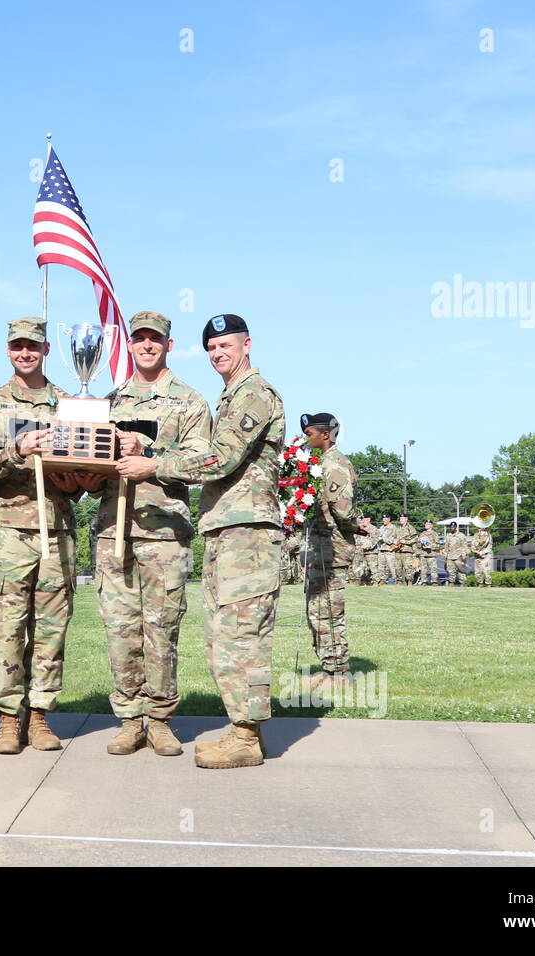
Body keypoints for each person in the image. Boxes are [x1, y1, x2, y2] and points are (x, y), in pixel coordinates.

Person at [118, 313, 285, 770]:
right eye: (211, 348)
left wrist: (153, 465)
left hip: (248, 533)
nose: (218, 354)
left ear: (247, 344)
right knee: (225, 638)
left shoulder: (254, 393)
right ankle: (243, 730)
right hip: (229, 530)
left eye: (226, 345)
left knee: (241, 639)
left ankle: (246, 738)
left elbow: (222, 458)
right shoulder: (232, 395)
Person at [75, 310, 212, 757]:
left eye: (155, 339)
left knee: (162, 630)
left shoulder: (189, 401)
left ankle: (160, 719)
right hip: (114, 530)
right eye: (139, 339)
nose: (147, 345)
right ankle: (130, 718)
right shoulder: (109, 400)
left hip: (164, 535)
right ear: (129, 345)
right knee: (120, 630)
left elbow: (203, 462)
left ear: (169, 344)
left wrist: (148, 450)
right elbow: (87, 457)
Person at [0, 317, 81, 755]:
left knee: (51, 629)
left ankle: (39, 716)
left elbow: (86, 462)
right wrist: (18, 448)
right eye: (17, 346)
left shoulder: (69, 404)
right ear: (7, 350)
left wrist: (76, 473)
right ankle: (5, 718)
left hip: (56, 528)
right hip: (8, 533)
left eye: (33, 346)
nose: (25, 353)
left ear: (46, 350)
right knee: (7, 629)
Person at [299, 413, 359, 690]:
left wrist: (357, 527)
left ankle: (339, 673)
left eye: (309, 433)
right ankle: (327, 669)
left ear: (325, 435)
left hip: (332, 550)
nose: (305, 437)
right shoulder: (315, 464)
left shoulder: (335, 465)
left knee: (329, 613)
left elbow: (343, 511)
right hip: (317, 549)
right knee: (316, 611)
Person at [394, 514, 418, 585]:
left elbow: (415, 538)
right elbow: (394, 537)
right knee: (397, 568)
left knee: (408, 568)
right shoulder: (397, 528)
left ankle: (409, 582)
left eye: (402, 518)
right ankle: (399, 581)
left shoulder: (410, 528)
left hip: (407, 551)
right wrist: (395, 541)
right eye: (400, 518)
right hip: (398, 550)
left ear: (406, 519)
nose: (401, 520)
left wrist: (406, 542)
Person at [377, 514, 399, 585]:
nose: (384, 520)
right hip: (382, 549)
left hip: (390, 550)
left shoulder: (393, 527)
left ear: (389, 519)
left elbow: (396, 539)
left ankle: (397, 580)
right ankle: (383, 580)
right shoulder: (381, 527)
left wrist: (384, 539)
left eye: (385, 519)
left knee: (392, 566)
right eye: (383, 519)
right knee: (381, 566)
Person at [417, 519, 440, 585]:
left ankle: (434, 582)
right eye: (425, 524)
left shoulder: (434, 534)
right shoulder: (422, 534)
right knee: (423, 569)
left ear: (431, 525)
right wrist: (421, 545)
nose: (426, 525)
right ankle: (424, 581)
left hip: (431, 554)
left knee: (433, 569)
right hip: (423, 554)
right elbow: (417, 544)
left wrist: (430, 546)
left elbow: (438, 545)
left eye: (428, 524)